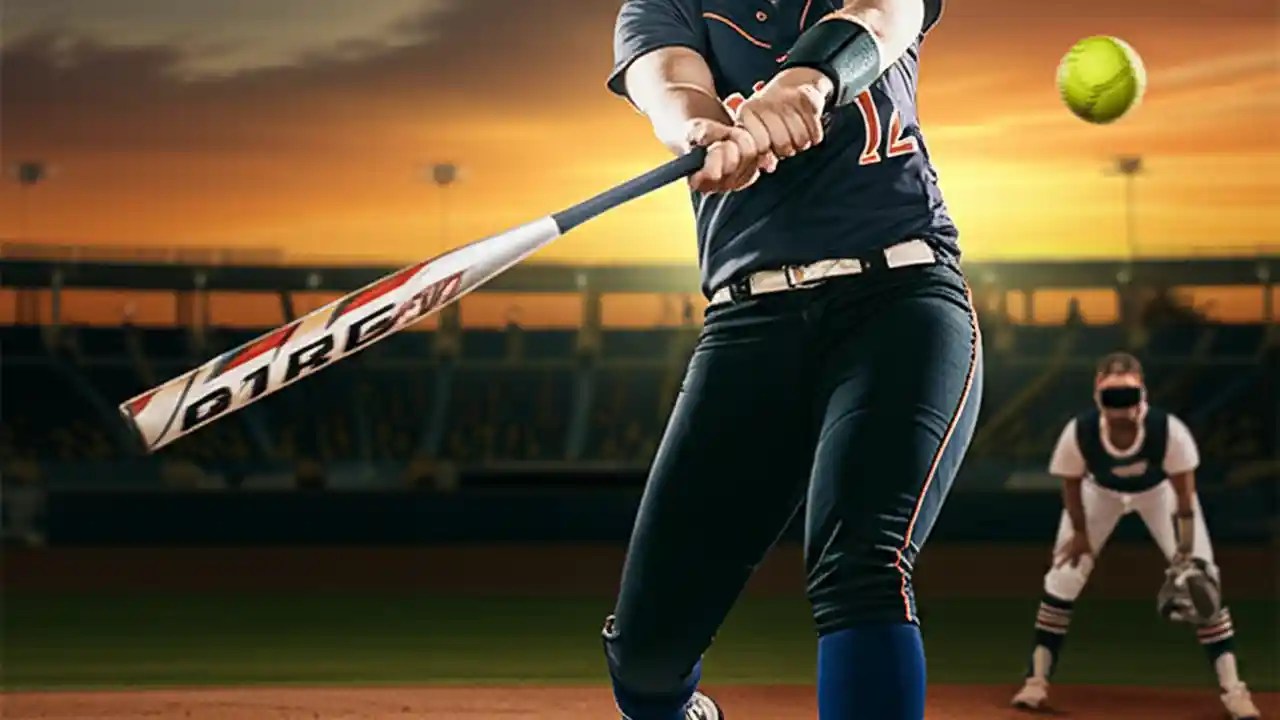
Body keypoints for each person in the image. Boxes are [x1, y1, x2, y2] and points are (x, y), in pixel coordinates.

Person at [602, 1, 982, 718]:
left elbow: (878, 18)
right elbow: (668, 82)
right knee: (647, 653)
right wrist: (699, 126)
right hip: (749, 320)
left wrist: (805, 84)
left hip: (898, 297)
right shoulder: (659, 6)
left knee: (861, 564)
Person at [1010, 352, 1261, 720]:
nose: (1120, 406)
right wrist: (1080, 534)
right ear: (1097, 396)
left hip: (1159, 493)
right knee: (1063, 577)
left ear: (1143, 394)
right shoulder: (1080, 431)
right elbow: (1071, 486)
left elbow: (1186, 498)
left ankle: (1235, 692)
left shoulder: (1167, 430)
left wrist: (1188, 554)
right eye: (1112, 396)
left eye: (1127, 395)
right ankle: (1035, 682)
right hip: (1099, 494)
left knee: (1203, 585)